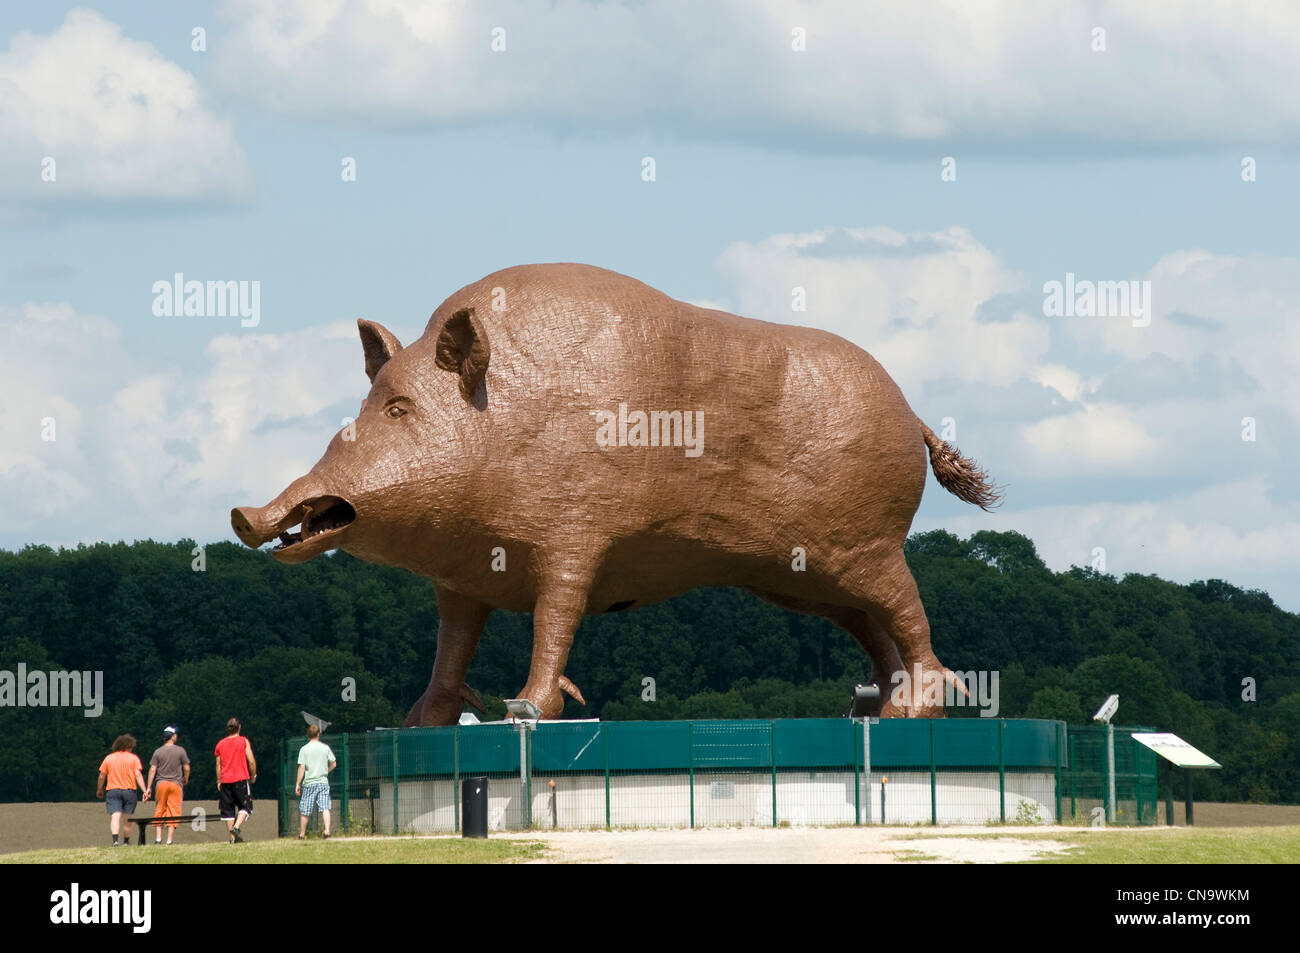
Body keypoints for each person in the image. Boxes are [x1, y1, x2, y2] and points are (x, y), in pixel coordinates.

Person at [97, 734, 148, 846]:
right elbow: (138, 775)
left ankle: (115, 841)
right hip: (129, 791)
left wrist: (99, 789)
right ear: (128, 746)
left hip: (113, 791)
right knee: (127, 817)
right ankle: (126, 841)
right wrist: (144, 790)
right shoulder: (133, 758)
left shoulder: (109, 758)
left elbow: (102, 775)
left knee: (115, 816)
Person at [214, 717, 256, 844]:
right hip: (241, 779)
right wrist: (253, 775)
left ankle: (232, 839)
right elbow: (251, 761)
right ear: (239, 727)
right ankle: (236, 828)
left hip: (225, 780)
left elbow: (218, 765)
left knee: (228, 811)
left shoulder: (220, 744)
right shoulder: (243, 741)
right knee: (246, 806)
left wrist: (218, 780)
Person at [146, 726, 190, 844]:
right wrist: (185, 778)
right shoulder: (180, 750)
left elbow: (152, 770)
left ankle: (158, 838)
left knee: (160, 809)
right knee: (173, 810)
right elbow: (186, 767)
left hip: (161, 783)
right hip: (176, 784)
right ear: (173, 736)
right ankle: (169, 840)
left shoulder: (158, 751)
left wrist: (148, 788)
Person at [294, 724, 337, 839]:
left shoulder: (304, 749)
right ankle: (327, 831)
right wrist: (325, 771)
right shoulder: (325, 748)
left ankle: (302, 834)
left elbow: (302, 767)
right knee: (325, 807)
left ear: (308, 735)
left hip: (309, 783)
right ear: (318, 734)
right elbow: (334, 763)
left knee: (305, 809)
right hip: (323, 782)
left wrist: (298, 783)